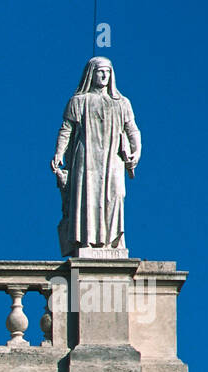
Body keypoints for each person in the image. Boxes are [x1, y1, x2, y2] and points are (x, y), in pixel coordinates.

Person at [50, 57, 141, 257]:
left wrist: (136, 152)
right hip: (87, 156)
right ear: (91, 74)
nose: (104, 75)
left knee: (117, 194)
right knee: (87, 195)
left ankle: (112, 242)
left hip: (113, 158)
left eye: (107, 72)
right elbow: (66, 130)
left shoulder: (122, 103)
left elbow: (133, 130)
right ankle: (88, 242)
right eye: (100, 71)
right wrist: (59, 153)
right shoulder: (78, 101)